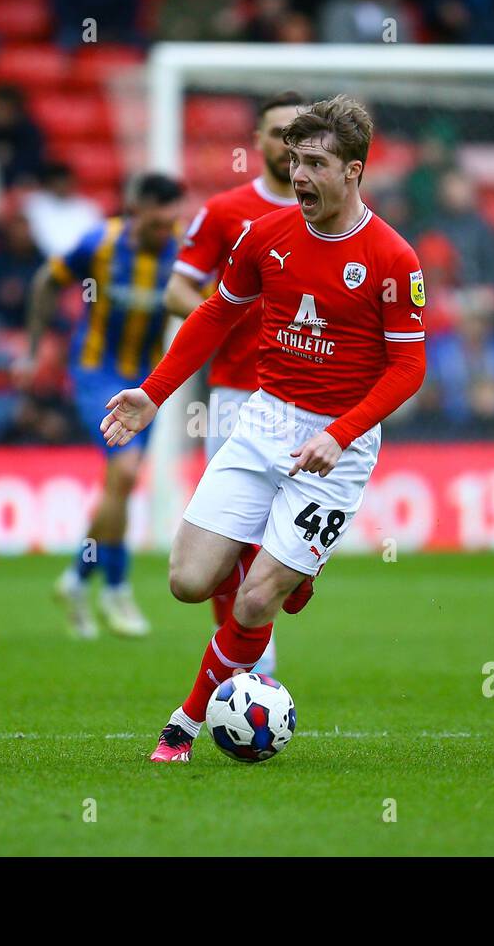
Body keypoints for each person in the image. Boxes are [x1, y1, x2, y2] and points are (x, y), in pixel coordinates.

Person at [100, 96, 427, 762]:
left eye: (316, 163)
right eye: (295, 161)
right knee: (189, 582)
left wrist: (341, 433)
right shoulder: (265, 234)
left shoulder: (393, 258)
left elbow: (409, 367)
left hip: (338, 445)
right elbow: (216, 315)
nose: (299, 175)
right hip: (262, 421)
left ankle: (182, 727)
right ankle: (292, 567)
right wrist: (154, 395)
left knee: (254, 603)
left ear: (355, 171)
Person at [164, 90, 304, 676]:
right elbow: (176, 290)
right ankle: (252, 659)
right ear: (259, 141)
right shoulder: (225, 211)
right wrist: (226, 314)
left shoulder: (328, 215)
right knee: (228, 530)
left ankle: (275, 608)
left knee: (281, 532)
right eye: (276, 132)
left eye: (299, 133)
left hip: (302, 400)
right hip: (232, 394)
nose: (287, 143)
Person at [28, 173, 185, 640]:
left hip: (148, 382)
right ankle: (116, 588)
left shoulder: (182, 252)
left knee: (120, 481)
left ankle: (77, 577)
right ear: (136, 210)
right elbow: (45, 280)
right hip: (97, 374)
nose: (167, 230)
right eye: (159, 222)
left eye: (173, 221)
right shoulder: (99, 242)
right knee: (124, 473)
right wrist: (34, 348)